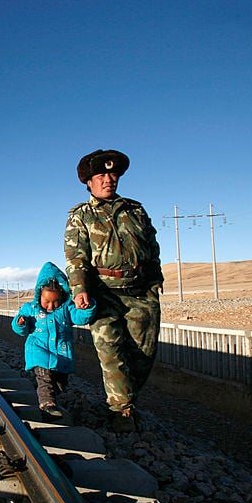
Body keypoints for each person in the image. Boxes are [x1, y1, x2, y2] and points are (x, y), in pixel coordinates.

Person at [64, 149, 162, 432]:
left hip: (141, 293)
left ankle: (126, 399)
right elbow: (76, 257)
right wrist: (80, 288)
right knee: (111, 353)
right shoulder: (80, 216)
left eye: (112, 174)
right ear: (89, 182)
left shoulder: (135, 210)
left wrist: (155, 281)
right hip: (103, 292)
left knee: (142, 355)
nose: (109, 179)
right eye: (101, 175)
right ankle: (122, 411)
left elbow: (152, 248)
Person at [11, 261, 96, 420]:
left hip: (61, 353)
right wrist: (19, 323)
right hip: (39, 351)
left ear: (62, 296)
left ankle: (51, 403)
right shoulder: (30, 309)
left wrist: (87, 308)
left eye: (55, 302)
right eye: (46, 302)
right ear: (39, 295)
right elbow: (21, 330)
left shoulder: (66, 308)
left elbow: (80, 318)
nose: (50, 306)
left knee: (59, 384)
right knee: (45, 380)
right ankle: (47, 406)